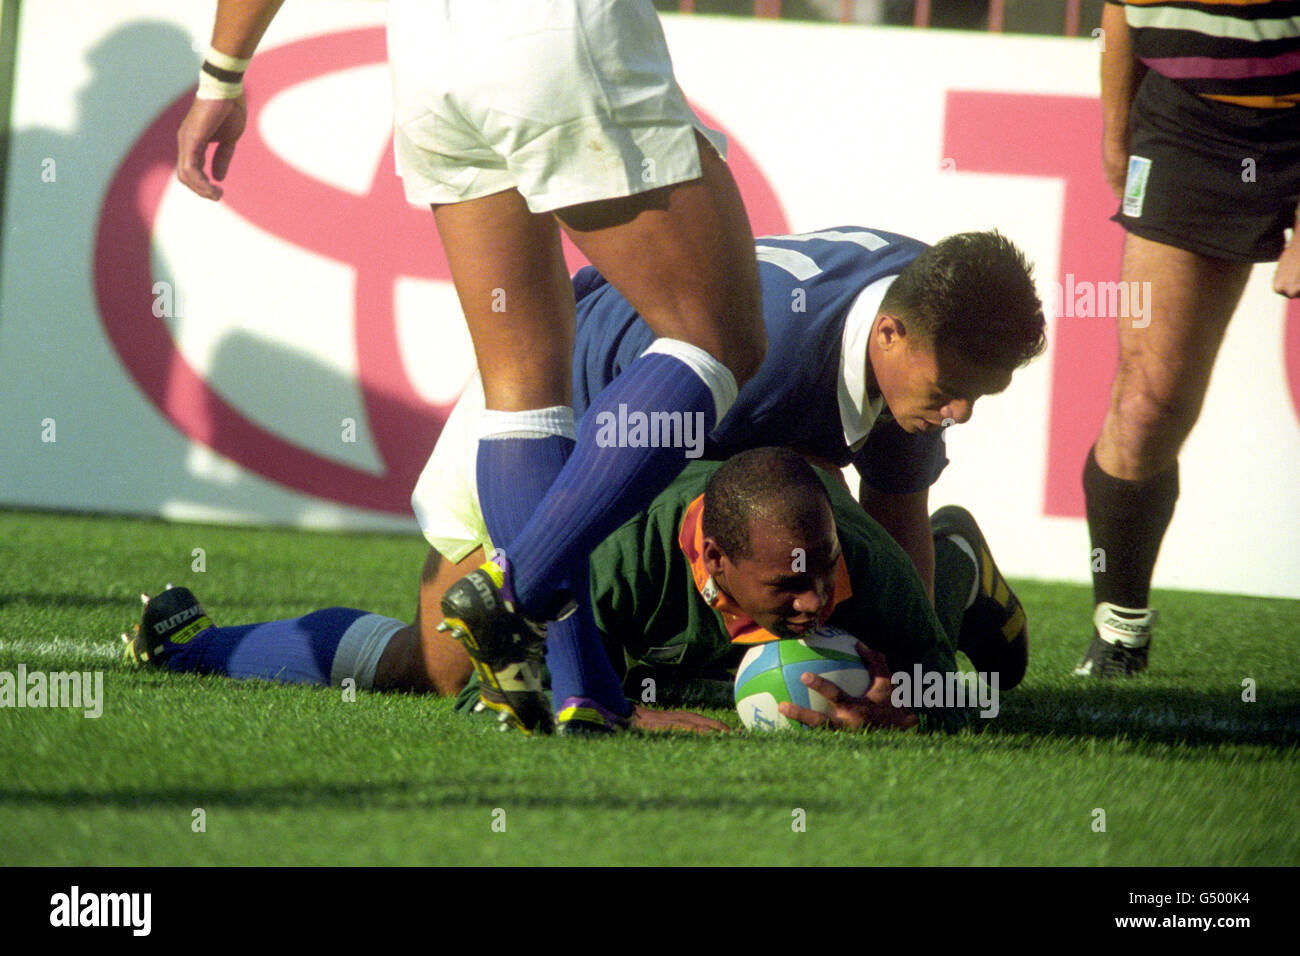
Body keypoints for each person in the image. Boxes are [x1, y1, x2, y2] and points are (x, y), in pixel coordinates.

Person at [175, 0, 767, 735]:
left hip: (432, 57)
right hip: (557, 34)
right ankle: (511, 590)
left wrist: (220, 80)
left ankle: (583, 692)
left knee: (520, 389)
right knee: (716, 340)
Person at [125, 448, 1030, 733]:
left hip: (774, 496)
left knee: (918, 617)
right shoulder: (615, 554)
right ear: (710, 557)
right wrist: (618, 714)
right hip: (541, 465)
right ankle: (189, 643)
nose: (815, 602)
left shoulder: (852, 567)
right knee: (435, 665)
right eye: (785, 592)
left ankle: (948, 556)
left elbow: (965, 694)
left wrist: (902, 704)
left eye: (820, 577)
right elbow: (499, 688)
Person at [1076, 2, 1300, 677]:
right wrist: (1117, 131)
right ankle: (1119, 632)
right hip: (1188, 119)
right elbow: (1120, 8)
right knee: (1146, 404)